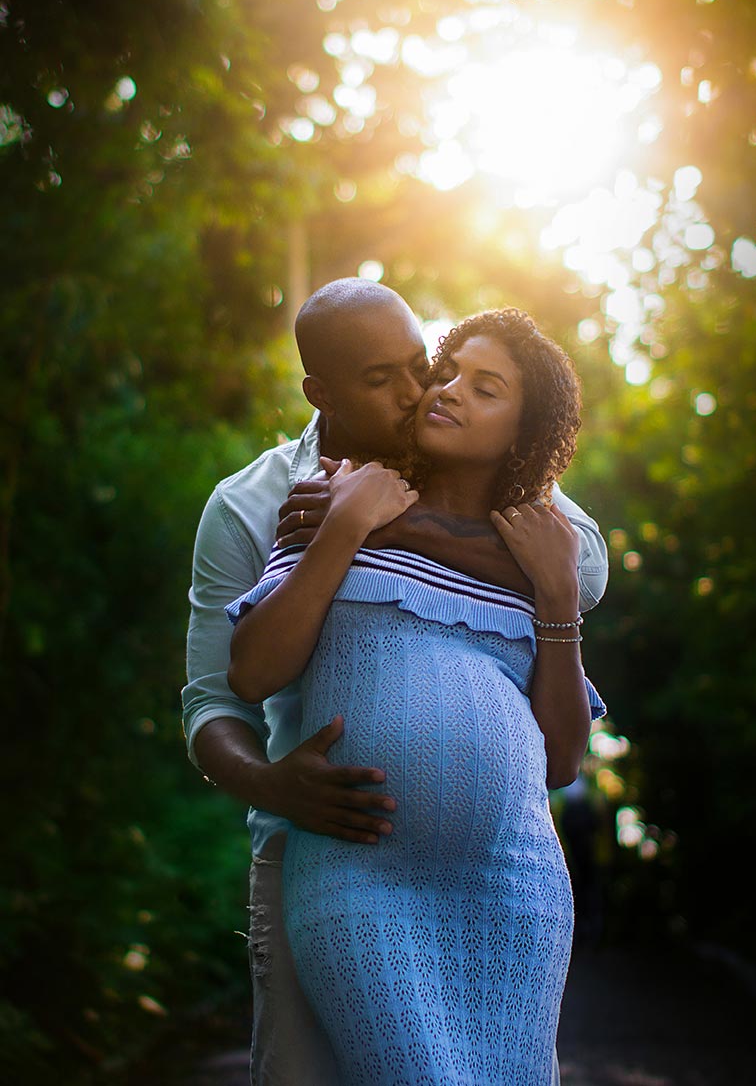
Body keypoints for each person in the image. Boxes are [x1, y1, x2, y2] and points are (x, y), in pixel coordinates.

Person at [181, 280, 608, 1085]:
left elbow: (578, 572)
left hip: (508, 879)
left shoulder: (521, 506)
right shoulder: (266, 502)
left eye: (427, 365)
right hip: (338, 851)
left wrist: (404, 523)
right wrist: (274, 785)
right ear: (321, 393)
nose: (423, 392)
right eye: (384, 380)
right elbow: (218, 694)